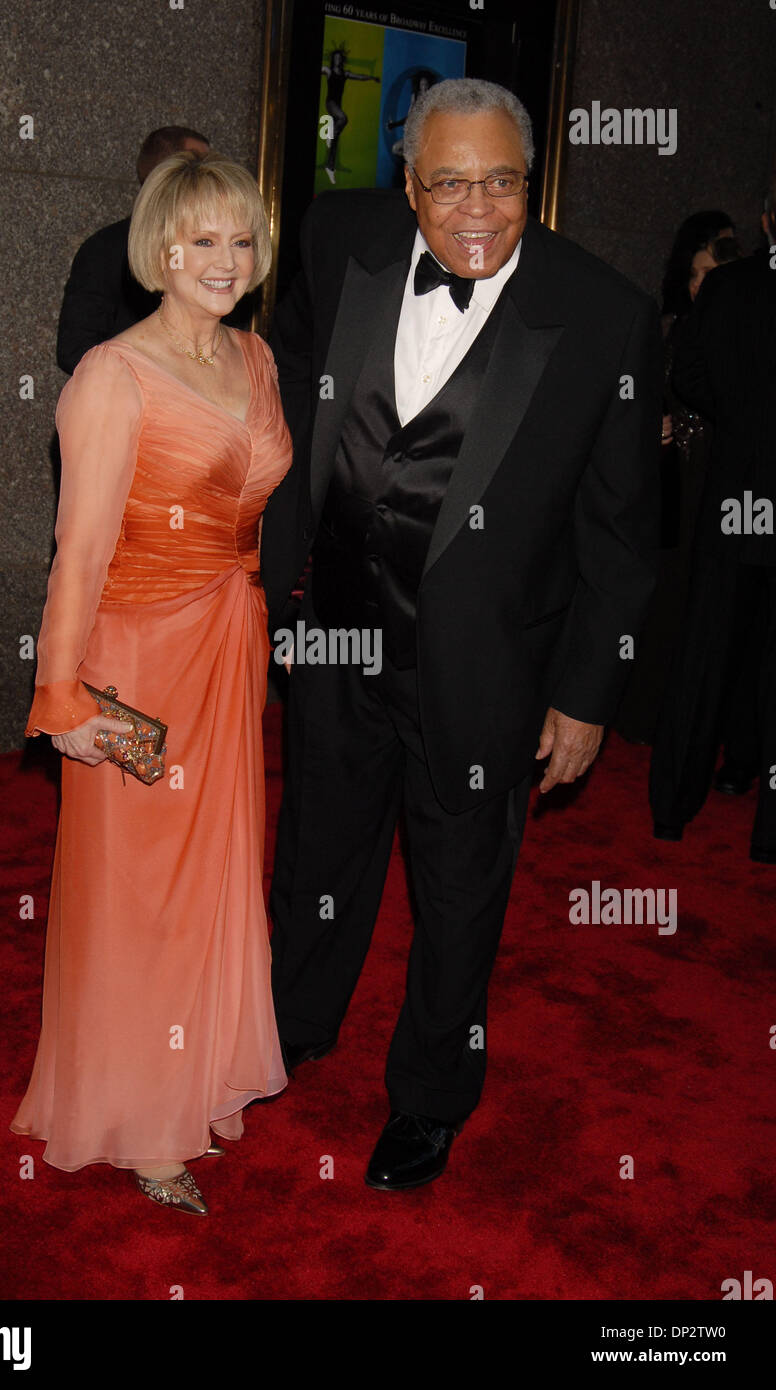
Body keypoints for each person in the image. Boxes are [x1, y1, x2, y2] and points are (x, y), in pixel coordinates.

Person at [261, 77, 661, 1191]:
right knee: (316, 850)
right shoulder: (339, 239)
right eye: (448, 181)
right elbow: (289, 384)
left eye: (501, 181)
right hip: (337, 630)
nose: (475, 207)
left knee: (456, 890)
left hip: (486, 664)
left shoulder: (604, 316)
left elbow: (623, 537)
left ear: (530, 183)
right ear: (408, 181)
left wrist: (584, 694)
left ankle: (431, 1097)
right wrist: (275, 585)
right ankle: (292, 1024)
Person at [12, 151, 292, 1213]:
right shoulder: (111, 377)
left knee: (213, 880)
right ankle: (137, 1118)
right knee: (133, 900)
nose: (226, 261)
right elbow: (75, 553)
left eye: (243, 240)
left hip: (228, 646)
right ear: (159, 250)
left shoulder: (256, 360)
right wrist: (64, 698)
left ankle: (190, 1076)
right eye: (203, 241)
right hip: (136, 657)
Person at [649, 170, 776, 862]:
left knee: (703, 650)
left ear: (765, 219)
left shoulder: (729, 286)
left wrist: (740, 426)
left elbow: (687, 376)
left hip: (734, 494)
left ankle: (672, 808)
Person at [616, 213, 738, 743]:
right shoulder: (669, 327)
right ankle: (639, 710)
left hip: (715, 486)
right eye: (693, 273)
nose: (699, 285)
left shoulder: (744, 333)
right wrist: (651, 422)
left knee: (697, 601)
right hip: (669, 484)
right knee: (658, 594)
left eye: (709, 273)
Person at [56, 126, 210, 374]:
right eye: (199, 164)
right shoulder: (107, 248)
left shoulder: (214, 253)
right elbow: (74, 349)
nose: (211, 176)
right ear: (164, 173)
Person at [321, 46, 381, 184]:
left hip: (338, 106)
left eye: (339, 58)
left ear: (341, 60)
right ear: (333, 60)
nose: (337, 60)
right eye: (335, 58)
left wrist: (371, 77)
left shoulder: (344, 73)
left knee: (335, 141)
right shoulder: (328, 71)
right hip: (330, 104)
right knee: (343, 118)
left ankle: (330, 167)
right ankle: (329, 135)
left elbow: (359, 77)